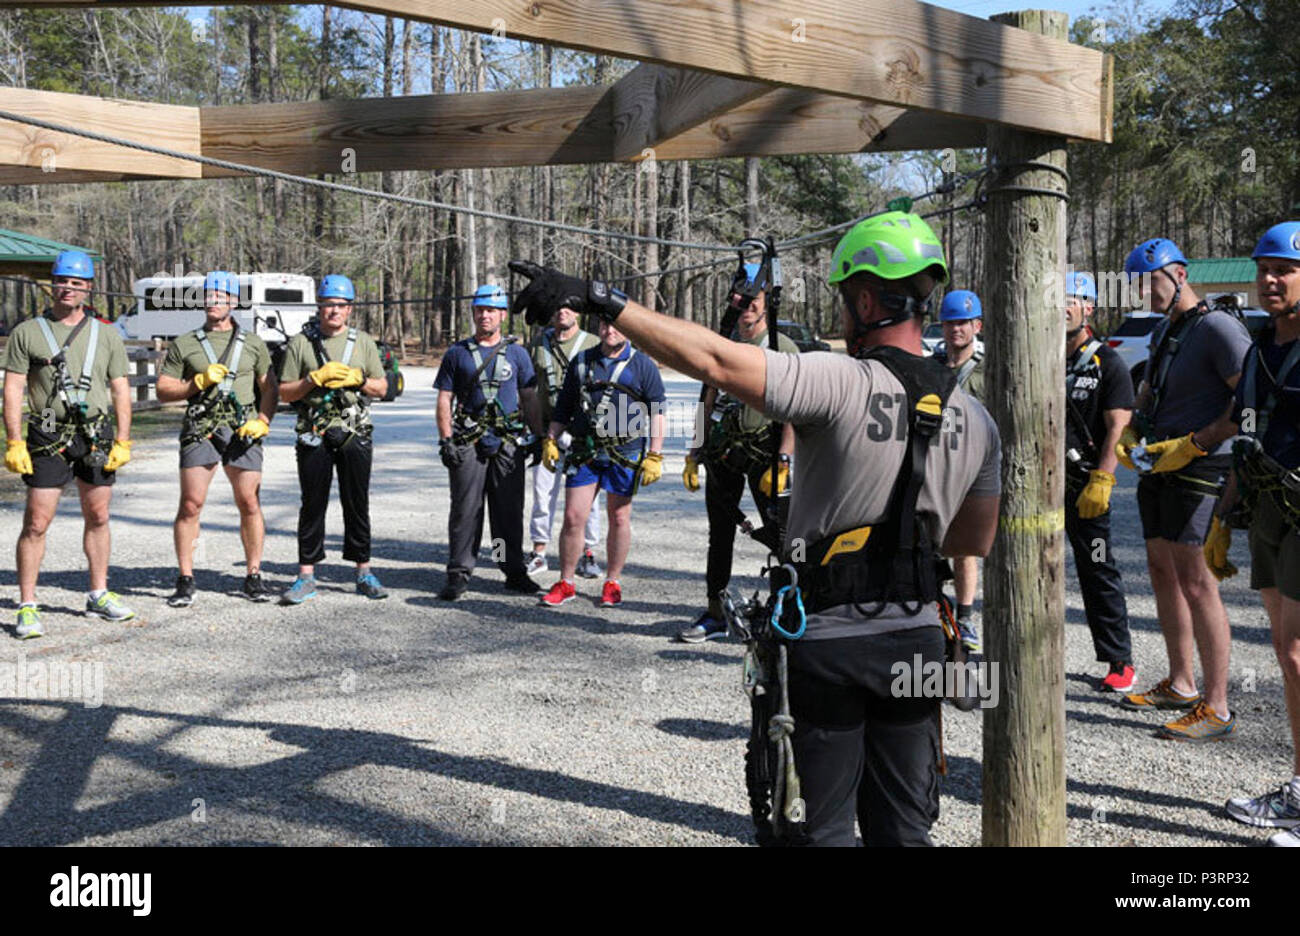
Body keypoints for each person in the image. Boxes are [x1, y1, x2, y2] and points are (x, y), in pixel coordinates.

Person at [509, 208, 1001, 846]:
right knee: (906, 830)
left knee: (818, 830)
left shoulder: (838, 382)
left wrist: (602, 299)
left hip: (830, 642)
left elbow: (714, 361)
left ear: (866, 299)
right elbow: (971, 543)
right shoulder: (976, 418)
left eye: (846, 303)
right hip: (916, 640)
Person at [1115, 237, 1251, 740]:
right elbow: (1149, 387)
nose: (1145, 294)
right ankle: (1180, 682)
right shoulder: (1167, 331)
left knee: (1197, 581)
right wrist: (1132, 430)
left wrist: (1195, 443)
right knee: (1161, 570)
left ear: (1179, 274)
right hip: (1160, 466)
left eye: (1151, 283)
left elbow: (1249, 403)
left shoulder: (1219, 328)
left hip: (1199, 468)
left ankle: (1216, 707)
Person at [1212, 221, 1300, 845]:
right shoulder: (1255, 347)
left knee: (1297, 655)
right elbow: (1246, 432)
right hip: (1268, 512)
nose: (1271, 279)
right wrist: (1223, 515)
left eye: (1285, 270)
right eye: (1264, 268)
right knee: (1287, 652)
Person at [3, 250, 136, 638]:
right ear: (53, 284)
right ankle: (27, 604)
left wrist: (124, 440)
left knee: (98, 516)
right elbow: (13, 389)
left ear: (88, 288)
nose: (68, 288)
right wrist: (14, 441)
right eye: (62, 281)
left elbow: (120, 389)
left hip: (94, 432)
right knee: (37, 521)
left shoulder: (107, 334)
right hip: (47, 432)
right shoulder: (28, 332)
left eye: (76, 283)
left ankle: (98, 592)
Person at [678, 262, 797, 643]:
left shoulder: (781, 346)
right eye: (740, 300)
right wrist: (694, 451)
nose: (745, 307)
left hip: (766, 458)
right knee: (720, 535)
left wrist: (784, 460)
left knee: (783, 537)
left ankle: (790, 609)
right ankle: (715, 612)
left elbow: (798, 408)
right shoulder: (725, 342)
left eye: (753, 300)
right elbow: (707, 394)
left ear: (767, 303)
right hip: (723, 454)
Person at [156, 271, 279, 606]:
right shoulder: (186, 343)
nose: (214, 301)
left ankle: (253, 575)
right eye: (209, 295)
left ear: (234, 302)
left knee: (249, 502)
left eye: (221, 296)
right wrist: (195, 383)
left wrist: (263, 420)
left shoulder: (253, 343)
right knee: (191, 503)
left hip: (242, 430)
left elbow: (270, 387)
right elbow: (164, 389)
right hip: (201, 429)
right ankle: (185, 577)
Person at [538, 318, 666, 609]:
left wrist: (655, 455)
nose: (610, 331)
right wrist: (550, 438)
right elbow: (564, 406)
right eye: (605, 326)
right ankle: (566, 582)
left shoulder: (642, 364)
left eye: (617, 326)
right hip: (586, 451)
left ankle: (612, 582)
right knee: (573, 516)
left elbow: (658, 410)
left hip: (626, 452)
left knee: (619, 516)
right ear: (597, 328)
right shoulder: (582, 361)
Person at [277, 274, 390, 604]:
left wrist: (360, 379)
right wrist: (312, 379)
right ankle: (306, 575)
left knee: (358, 502)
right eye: (328, 305)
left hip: (355, 431)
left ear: (350, 309)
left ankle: (364, 571)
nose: (333, 311)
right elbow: (284, 391)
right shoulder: (301, 343)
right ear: (319, 307)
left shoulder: (363, 342)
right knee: (312, 503)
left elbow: (382, 388)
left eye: (340, 306)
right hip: (314, 432)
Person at [435, 284, 545, 600]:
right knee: (465, 511)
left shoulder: (518, 354)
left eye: (491, 311)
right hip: (468, 441)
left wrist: (536, 437)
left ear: (502, 315)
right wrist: (446, 440)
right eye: (480, 310)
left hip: (508, 443)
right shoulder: (457, 354)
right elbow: (445, 399)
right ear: (473, 313)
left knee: (507, 513)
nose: (485, 315)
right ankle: (459, 573)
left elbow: (529, 398)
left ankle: (510, 569)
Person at [1062, 271, 1136, 691]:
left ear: (1088, 307)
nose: (1062, 308)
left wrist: (1104, 479)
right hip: (1042, 485)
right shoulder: (1041, 357)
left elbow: (1117, 428)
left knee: (1097, 567)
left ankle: (1118, 661)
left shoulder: (1107, 362)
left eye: (1070, 300)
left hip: (1086, 487)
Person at [527, 303, 602, 579]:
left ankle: (588, 553)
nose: (562, 312)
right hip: (548, 432)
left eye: (568, 307)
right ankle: (538, 552)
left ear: (579, 312)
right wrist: (531, 430)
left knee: (588, 500)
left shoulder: (593, 343)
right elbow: (529, 389)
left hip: (584, 435)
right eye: (557, 307)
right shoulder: (538, 344)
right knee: (542, 494)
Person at [933, 289, 986, 653]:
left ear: (977, 326)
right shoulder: (931, 368)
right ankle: (935, 612)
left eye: (964, 323)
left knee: (964, 549)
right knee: (929, 545)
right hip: (935, 469)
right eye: (951, 322)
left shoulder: (986, 372)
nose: (957, 329)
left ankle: (965, 617)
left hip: (971, 470)